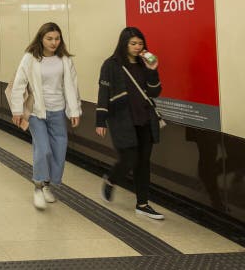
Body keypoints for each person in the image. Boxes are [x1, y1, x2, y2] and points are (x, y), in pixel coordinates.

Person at [10, 22, 81, 210]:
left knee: (59, 150)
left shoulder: (64, 59)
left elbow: (72, 85)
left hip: (58, 111)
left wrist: (74, 111)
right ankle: (38, 187)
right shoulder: (30, 58)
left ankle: (48, 185)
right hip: (36, 112)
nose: (54, 42)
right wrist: (17, 110)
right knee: (43, 149)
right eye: (49, 38)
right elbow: (18, 84)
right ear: (41, 38)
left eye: (57, 38)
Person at [96, 27, 164, 220]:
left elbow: (154, 92)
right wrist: (100, 120)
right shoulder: (111, 65)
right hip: (121, 120)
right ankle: (111, 180)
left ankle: (142, 204)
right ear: (124, 44)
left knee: (143, 163)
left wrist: (153, 71)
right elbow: (103, 94)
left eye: (140, 43)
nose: (137, 47)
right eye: (133, 43)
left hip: (145, 119)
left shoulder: (145, 64)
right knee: (129, 159)